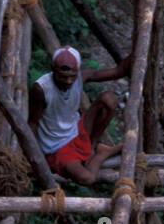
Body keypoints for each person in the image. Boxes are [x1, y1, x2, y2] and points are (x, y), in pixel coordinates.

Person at [28, 44, 132, 184]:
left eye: (72, 77)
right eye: (62, 77)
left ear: (77, 72)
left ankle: (93, 145)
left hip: (77, 129)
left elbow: (119, 71)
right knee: (87, 178)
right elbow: (33, 123)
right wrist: (35, 157)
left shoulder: (81, 77)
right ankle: (102, 154)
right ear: (53, 70)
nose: (68, 81)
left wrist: (139, 49)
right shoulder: (41, 89)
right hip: (57, 146)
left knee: (109, 99)